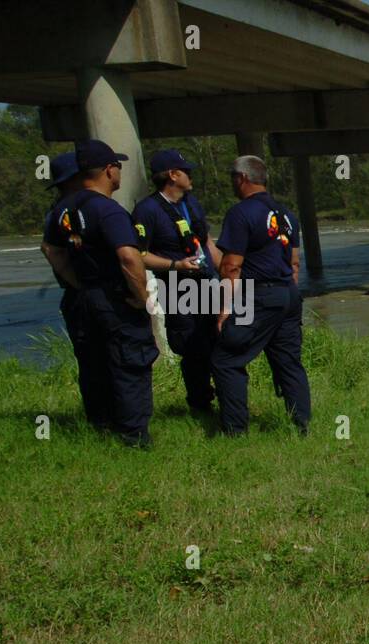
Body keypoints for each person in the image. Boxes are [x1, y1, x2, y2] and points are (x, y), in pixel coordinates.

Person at [41, 139, 157, 446]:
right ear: (108, 170)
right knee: (130, 362)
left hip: (83, 298)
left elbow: (50, 249)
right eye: (117, 166)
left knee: (94, 362)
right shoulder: (108, 210)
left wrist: (77, 283)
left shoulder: (63, 210)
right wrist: (143, 298)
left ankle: (101, 426)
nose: (119, 172)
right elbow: (129, 257)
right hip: (115, 298)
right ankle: (134, 436)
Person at [211, 155, 311, 437]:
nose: (231, 182)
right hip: (288, 294)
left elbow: (231, 266)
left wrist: (225, 308)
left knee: (226, 359)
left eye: (232, 177)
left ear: (242, 178)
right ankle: (301, 425)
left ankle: (235, 432)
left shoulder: (240, 213)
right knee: (288, 362)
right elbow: (294, 263)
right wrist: (285, 296)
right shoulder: (286, 214)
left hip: (258, 296)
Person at [132, 148, 222, 415]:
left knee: (220, 340)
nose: (191, 176)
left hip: (207, 283)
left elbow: (207, 242)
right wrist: (176, 265)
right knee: (192, 348)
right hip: (177, 288)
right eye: (187, 171)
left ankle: (228, 400)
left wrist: (230, 274)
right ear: (173, 175)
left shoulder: (191, 202)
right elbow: (139, 256)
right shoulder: (147, 210)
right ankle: (200, 405)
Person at [39, 150, 112, 429]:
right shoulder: (65, 214)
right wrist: (80, 284)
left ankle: (108, 418)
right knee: (95, 359)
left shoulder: (69, 210)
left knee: (99, 359)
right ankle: (103, 421)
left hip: (85, 294)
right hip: (83, 295)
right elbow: (50, 249)